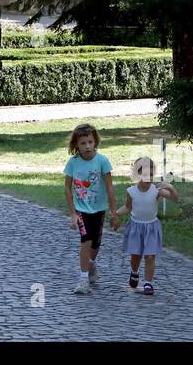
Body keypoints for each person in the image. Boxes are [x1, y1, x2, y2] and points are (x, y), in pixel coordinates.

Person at [63, 123, 117, 295]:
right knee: (85, 241)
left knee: (95, 243)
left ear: (95, 143)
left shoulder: (102, 161)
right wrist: (73, 213)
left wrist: (114, 214)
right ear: (76, 145)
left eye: (90, 142)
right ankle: (83, 279)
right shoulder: (73, 163)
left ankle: (91, 263)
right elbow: (67, 188)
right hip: (81, 209)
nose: (87, 146)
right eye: (83, 143)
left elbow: (109, 188)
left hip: (99, 208)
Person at [115, 156, 179, 296]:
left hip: (151, 227)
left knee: (150, 256)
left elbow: (174, 198)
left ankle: (148, 283)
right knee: (136, 255)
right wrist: (116, 213)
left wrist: (171, 187)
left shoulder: (156, 190)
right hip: (136, 227)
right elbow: (128, 207)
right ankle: (134, 272)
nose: (148, 177)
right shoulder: (131, 191)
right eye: (144, 174)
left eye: (150, 174)